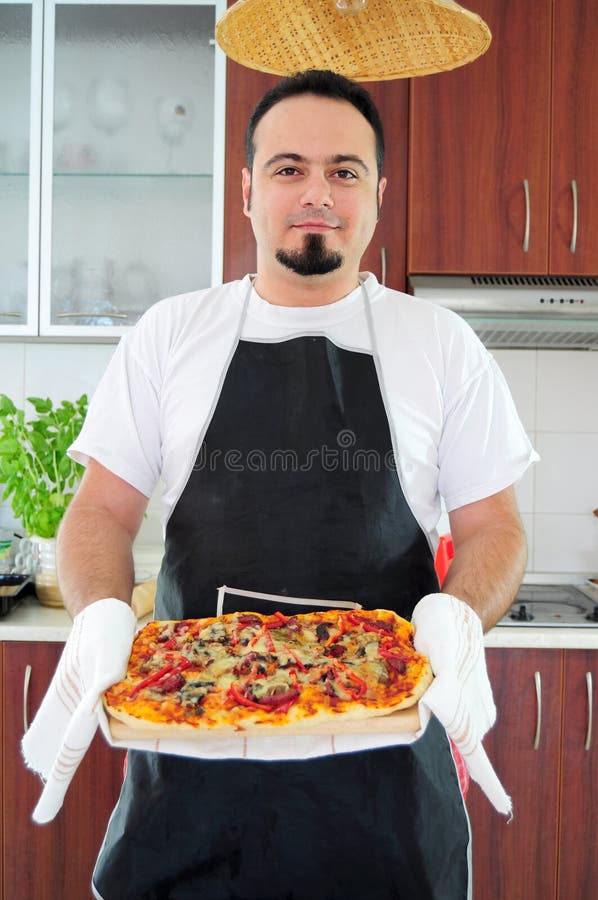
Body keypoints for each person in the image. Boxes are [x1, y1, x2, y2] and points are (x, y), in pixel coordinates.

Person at [24, 69, 535, 899]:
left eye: (345, 171)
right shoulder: (170, 335)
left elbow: (496, 529)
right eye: (289, 167)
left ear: (379, 194)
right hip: (189, 758)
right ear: (246, 189)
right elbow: (101, 513)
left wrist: (457, 616)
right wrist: (102, 617)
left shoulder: (443, 345)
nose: (317, 194)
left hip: (387, 784)